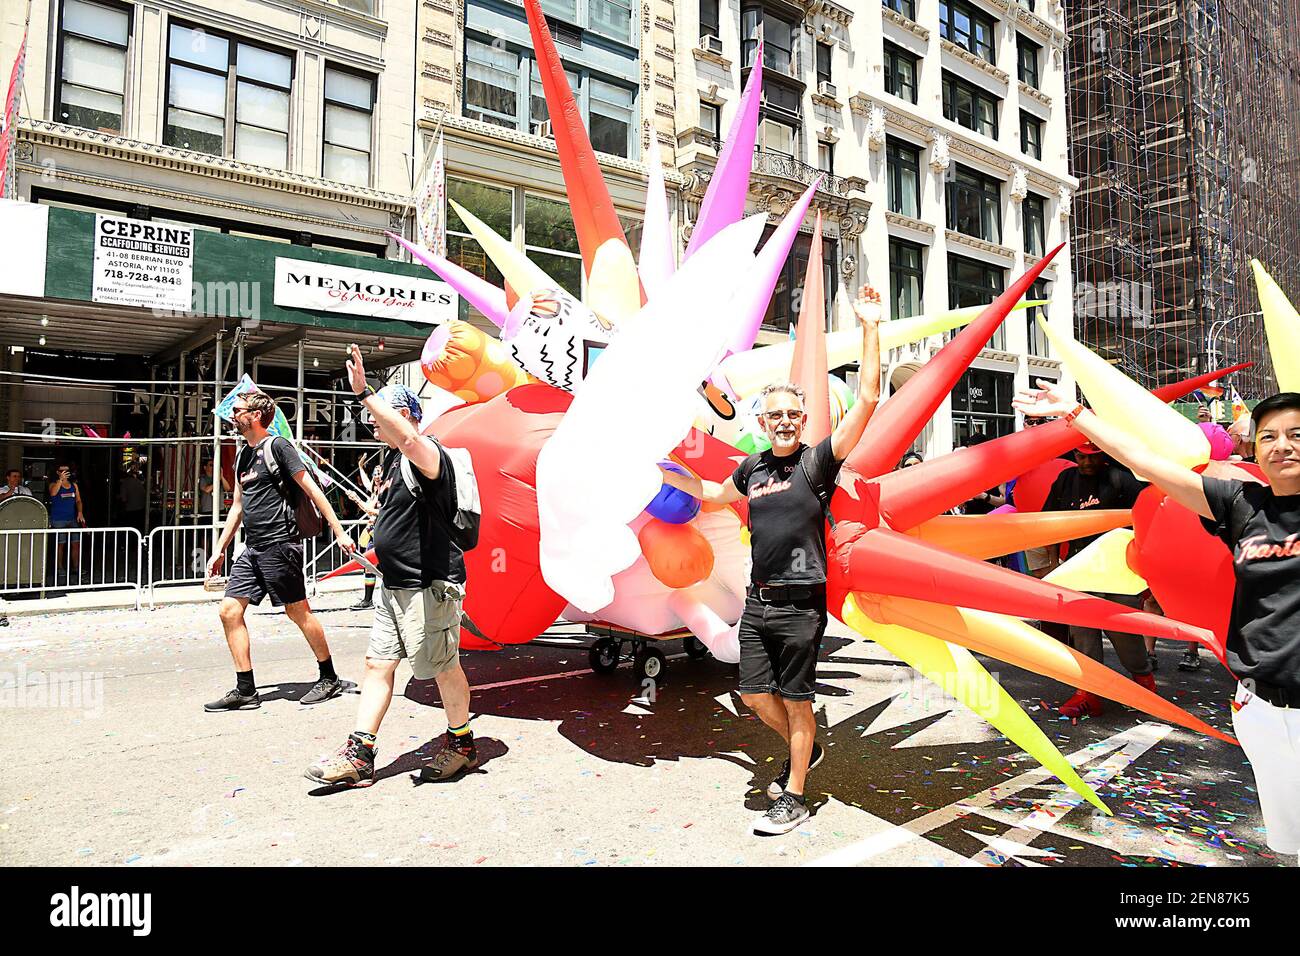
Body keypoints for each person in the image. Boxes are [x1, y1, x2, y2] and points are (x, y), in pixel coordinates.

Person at [1017, 382, 1300, 859]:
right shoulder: (1244, 505)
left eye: (1296, 434)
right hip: (1262, 705)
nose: (1282, 446)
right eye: (1268, 436)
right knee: (1291, 838)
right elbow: (1147, 464)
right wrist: (1075, 414)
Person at [659, 286, 881, 835]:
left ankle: (796, 793)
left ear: (804, 420)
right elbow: (712, 494)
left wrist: (870, 326)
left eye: (791, 414)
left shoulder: (818, 463)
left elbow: (871, 400)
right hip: (758, 604)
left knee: (797, 699)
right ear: (762, 420)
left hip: (803, 602)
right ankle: (805, 751)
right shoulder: (753, 468)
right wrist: (661, 471)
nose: (783, 421)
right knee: (756, 694)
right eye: (774, 414)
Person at [305, 347, 475, 788]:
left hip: (429, 585)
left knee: (442, 667)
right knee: (377, 665)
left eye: (379, 418)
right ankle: (360, 755)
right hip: (394, 585)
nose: (372, 425)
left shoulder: (429, 454)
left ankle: (461, 744)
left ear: (402, 415)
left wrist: (364, 392)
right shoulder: (392, 462)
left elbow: (412, 440)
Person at [203, 390, 356, 712]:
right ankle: (245, 690)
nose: (233, 414)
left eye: (239, 409)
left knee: (297, 611)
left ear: (256, 415)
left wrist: (340, 530)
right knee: (229, 611)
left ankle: (328, 677)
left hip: (280, 544)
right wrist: (220, 549)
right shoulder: (243, 455)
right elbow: (238, 507)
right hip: (252, 547)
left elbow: (312, 490)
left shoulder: (278, 447)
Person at [1039, 442, 1157, 717]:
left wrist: (1148, 573)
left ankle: (1143, 680)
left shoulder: (1122, 478)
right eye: (1082, 457)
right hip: (1079, 568)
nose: (1087, 463)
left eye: (1093, 457)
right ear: (1075, 455)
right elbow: (1048, 522)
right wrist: (1053, 566)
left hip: (1119, 569)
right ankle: (1089, 691)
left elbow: (1149, 522)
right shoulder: (1066, 479)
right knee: (1082, 631)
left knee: (1122, 631)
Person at [345, 455, 384, 611]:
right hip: (372, 533)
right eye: (374, 473)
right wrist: (361, 467)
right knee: (369, 566)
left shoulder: (386, 492)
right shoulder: (375, 490)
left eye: (379, 473)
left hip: (382, 533)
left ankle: (379, 598)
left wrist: (356, 500)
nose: (376, 476)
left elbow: (373, 511)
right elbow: (367, 482)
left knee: (378, 566)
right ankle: (368, 600)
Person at [48, 464, 85, 582]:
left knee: (76, 543)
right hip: (58, 519)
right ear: (58, 472)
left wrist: (80, 512)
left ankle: (76, 567)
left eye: (67, 470)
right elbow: (53, 493)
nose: (65, 472)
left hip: (72, 518)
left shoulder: (74, 485)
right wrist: (60, 480)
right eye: (62, 471)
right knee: (60, 544)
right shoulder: (53, 484)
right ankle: (59, 567)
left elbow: (78, 500)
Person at [197, 459, 229, 523]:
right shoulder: (202, 478)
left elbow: (227, 488)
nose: (213, 467)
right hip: (207, 510)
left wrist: (221, 476)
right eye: (211, 465)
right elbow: (207, 490)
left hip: (220, 509)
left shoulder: (220, 478)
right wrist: (217, 480)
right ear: (205, 467)